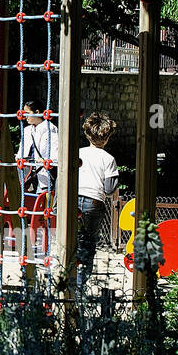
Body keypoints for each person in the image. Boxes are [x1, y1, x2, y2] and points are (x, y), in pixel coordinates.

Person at [76, 112, 119, 293]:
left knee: (72, 239)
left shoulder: (78, 152)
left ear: (87, 134)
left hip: (74, 198)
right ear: (107, 137)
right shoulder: (108, 159)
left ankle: (66, 277)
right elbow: (109, 189)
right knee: (89, 242)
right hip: (94, 202)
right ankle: (80, 283)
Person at [17, 102, 60, 211]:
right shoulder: (27, 130)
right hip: (27, 172)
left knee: (42, 206)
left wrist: (46, 160)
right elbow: (22, 149)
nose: (25, 116)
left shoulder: (51, 129)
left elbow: (56, 152)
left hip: (43, 172)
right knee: (26, 204)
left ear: (37, 112)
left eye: (28, 113)